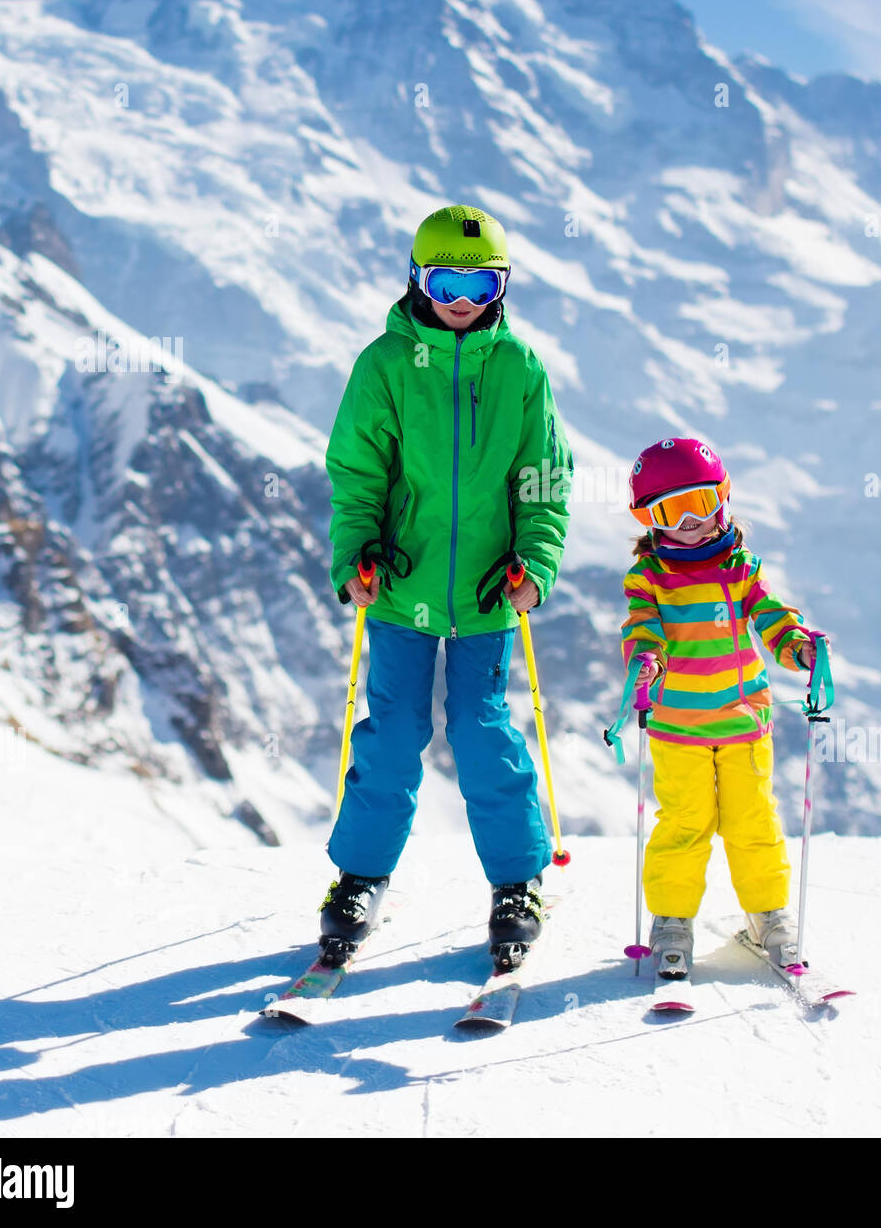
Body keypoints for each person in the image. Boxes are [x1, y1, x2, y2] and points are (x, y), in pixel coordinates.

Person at [320, 204, 571, 969]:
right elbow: (357, 473)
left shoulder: (519, 369)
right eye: (445, 279)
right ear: (416, 279)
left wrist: (538, 562)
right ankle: (359, 878)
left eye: (480, 280)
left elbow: (542, 481)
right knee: (392, 736)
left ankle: (516, 884)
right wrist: (355, 554)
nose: (461, 297)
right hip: (400, 591)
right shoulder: (386, 365)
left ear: (501, 286)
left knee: (483, 732)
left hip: (491, 595)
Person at [619, 437, 823, 976]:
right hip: (678, 726)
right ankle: (672, 921)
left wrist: (797, 644)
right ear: (649, 518)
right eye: (671, 509)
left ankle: (769, 916)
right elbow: (643, 629)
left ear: (723, 499)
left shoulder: (741, 568)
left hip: (743, 722)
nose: (690, 521)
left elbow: (772, 617)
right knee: (685, 824)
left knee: (752, 820)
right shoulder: (650, 577)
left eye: (701, 503)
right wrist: (647, 660)